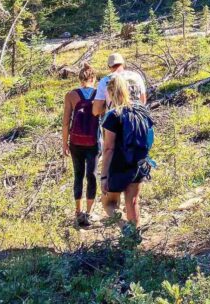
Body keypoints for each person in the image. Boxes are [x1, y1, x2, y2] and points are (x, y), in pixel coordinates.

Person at [99, 73, 154, 230]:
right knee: (133, 201)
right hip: (140, 162)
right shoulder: (142, 111)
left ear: (110, 92)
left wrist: (104, 176)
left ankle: (126, 229)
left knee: (109, 203)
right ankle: (134, 237)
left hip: (119, 165)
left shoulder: (112, 115)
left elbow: (108, 148)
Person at [61, 63, 100, 228]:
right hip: (93, 141)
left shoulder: (70, 95)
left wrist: (64, 143)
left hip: (75, 142)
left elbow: (65, 122)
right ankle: (89, 213)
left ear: (80, 78)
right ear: (94, 78)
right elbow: (103, 120)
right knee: (91, 175)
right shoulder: (99, 95)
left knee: (78, 175)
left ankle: (78, 212)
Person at [92, 52, 147, 117]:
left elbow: (96, 110)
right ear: (123, 64)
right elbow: (143, 100)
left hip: (116, 121)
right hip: (136, 118)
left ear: (109, 66)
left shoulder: (105, 81)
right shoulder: (136, 76)